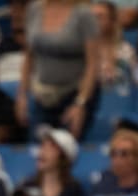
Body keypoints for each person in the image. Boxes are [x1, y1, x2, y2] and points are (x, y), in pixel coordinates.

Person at [17, 0, 98, 140]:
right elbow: (29, 56)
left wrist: (80, 103)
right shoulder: (34, 9)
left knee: (65, 149)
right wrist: (22, 95)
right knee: (40, 148)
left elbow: (93, 64)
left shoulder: (84, 14)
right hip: (42, 95)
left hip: (74, 93)